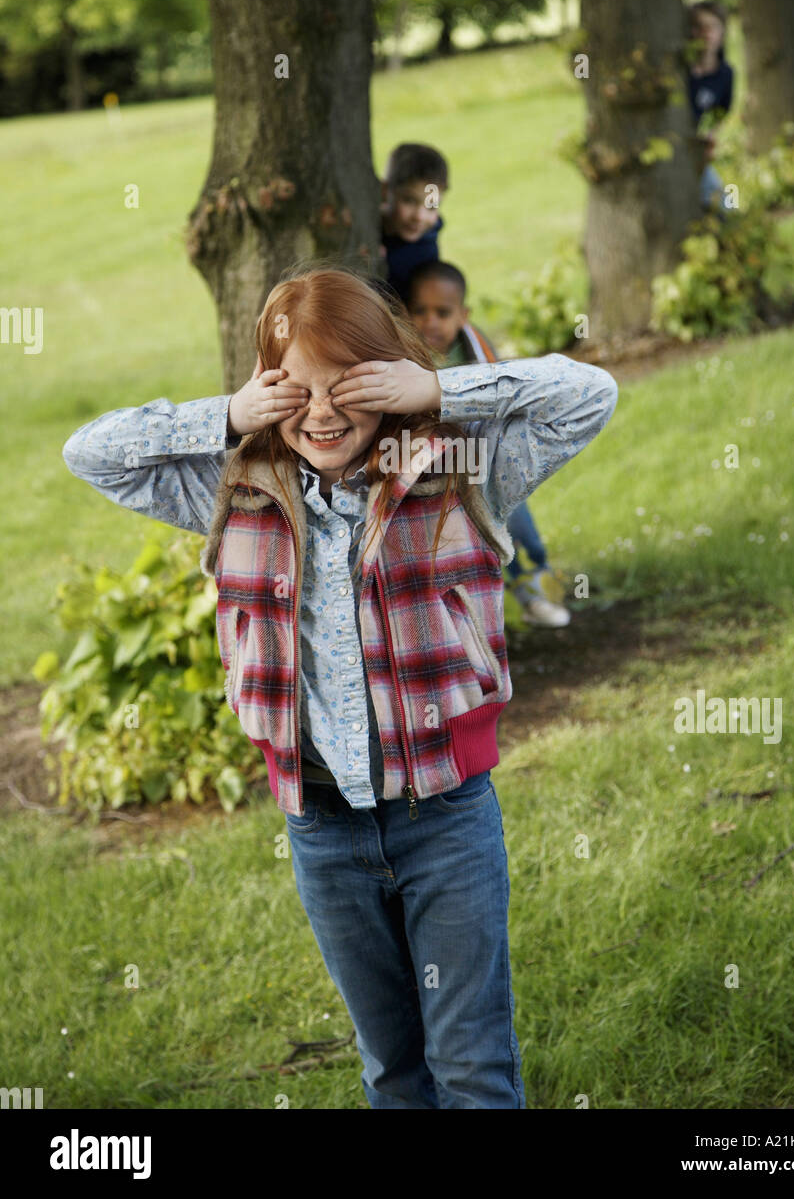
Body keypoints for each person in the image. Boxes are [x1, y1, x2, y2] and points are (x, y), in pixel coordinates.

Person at [61, 261, 618, 1109]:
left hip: (447, 818)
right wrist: (229, 415)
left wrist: (436, 388)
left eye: (349, 384)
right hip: (320, 831)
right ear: (267, 389)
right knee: (390, 1067)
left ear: (387, 377)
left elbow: (589, 394)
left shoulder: (455, 464)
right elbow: (88, 453)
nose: (321, 412)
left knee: (471, 1064)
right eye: (296, 389)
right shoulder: (237, 483)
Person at [405, 258, 573, 628]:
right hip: (439, 471)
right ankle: (480, 614)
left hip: (487, 461)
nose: (430, 321)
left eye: (442, 312)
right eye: (420, 311)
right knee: (469, 545)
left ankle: (537, 588)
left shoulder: (477, 349)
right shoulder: (405, 359)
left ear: (463, 315)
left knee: (518, 526)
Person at [379, 142, 448, 305]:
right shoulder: (366, 222)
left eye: (431, 206)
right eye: (409, 201)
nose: (419, 216)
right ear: (385, 191)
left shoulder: (425, 254)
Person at [687, 0, 735, 214]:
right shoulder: (679, 72)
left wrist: (709, 137)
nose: (705, 34)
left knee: (726, 208)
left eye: (711, 27)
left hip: (696, 155)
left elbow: (719, 113)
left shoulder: (725, 74)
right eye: (698, 27)